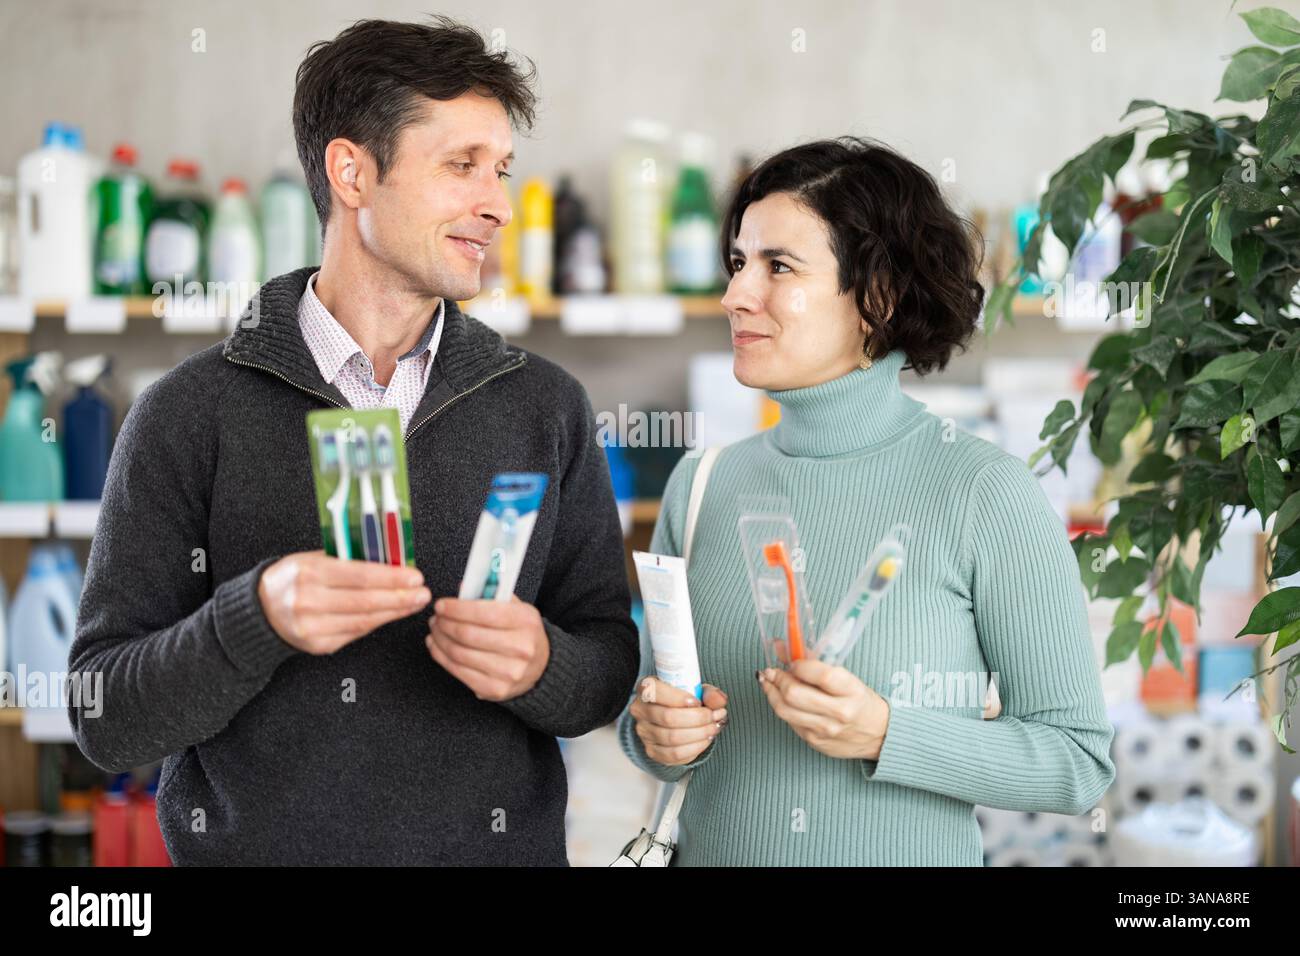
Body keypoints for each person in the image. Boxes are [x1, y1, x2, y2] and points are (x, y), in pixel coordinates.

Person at [69, 16, 638, 865]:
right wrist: (252, 620)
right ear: (352, 173)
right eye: (461, 166)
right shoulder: (186, 413)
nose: (497, 203)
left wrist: (542, 667)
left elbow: (606, 662)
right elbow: (102, 714)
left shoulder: (544, 408)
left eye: (502, 171)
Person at [618, 137, 1116, 866]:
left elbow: (1076, 762)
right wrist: (659, 736)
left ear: (877, 298)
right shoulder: (701, 484)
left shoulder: (984, 492)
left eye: (777, 266)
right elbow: (653, 724)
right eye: (737, 263)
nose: (734, 295)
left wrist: (886, 733)